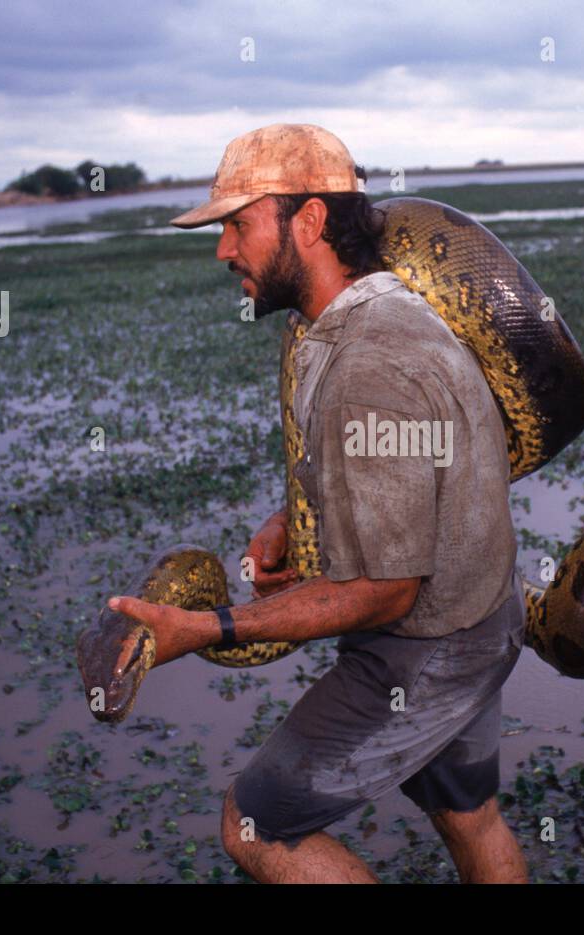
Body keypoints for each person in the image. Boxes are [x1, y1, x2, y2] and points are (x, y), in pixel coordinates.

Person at [105, 124, 528, 883]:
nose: (223, 250)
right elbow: (401, 472)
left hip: (426, 645)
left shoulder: (371, 362)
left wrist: (205, 628)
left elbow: (386, 590)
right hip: (483, 613)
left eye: (239, 225)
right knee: (467, 813)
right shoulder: (366, 324)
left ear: (309, 221)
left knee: (253, 823)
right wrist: (296, 519)